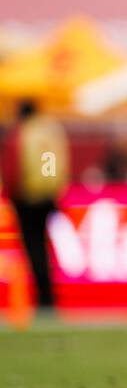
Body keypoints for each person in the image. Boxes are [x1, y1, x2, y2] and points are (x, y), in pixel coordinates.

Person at [1, 99, 69, 312]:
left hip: (28, 197)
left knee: (34, 248)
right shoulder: (50, 133)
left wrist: (13, 193)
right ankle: (47, 295)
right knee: (44, 248)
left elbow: (15, 167)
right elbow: (52, 165)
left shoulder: (23, 134)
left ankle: (43, 298)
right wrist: (49, 188)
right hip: (48, 196)